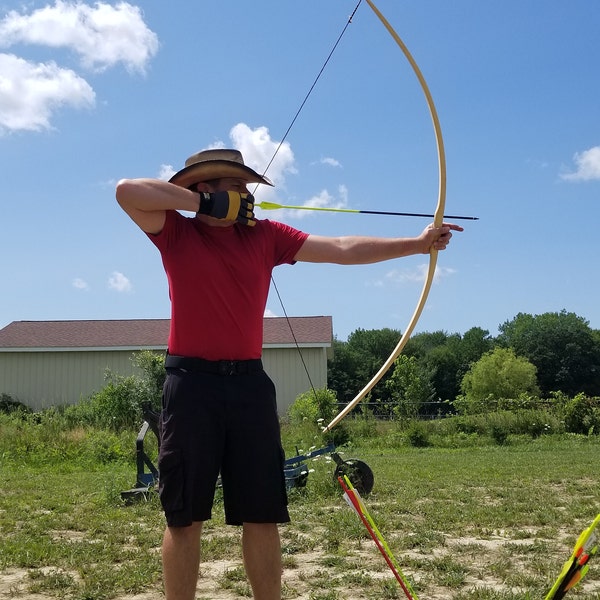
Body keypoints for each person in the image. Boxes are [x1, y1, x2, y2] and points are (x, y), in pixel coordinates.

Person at [115, 148, 463, 600]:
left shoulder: (265, 236)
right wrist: (205, 207)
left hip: (249, 388)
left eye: (247, 187)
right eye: (235, 187)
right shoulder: (176, 231)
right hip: (191, 386)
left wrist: (416, 244)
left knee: (262, 513)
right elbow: (127, 192)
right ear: (205, 188)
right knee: (184, 517)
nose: (246, 195)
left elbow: (340, 248)